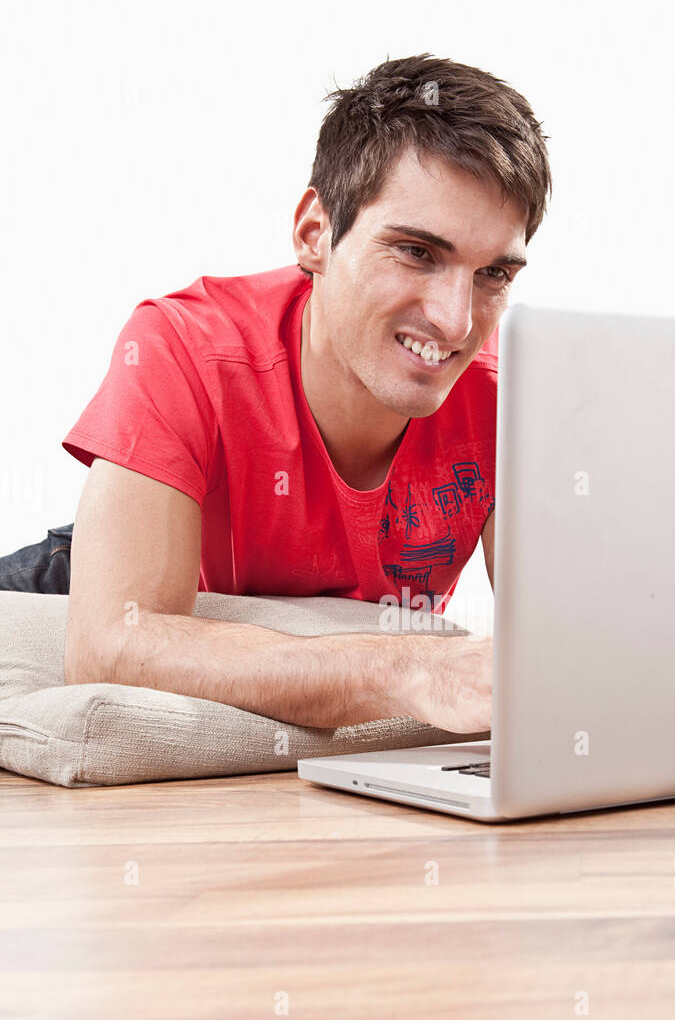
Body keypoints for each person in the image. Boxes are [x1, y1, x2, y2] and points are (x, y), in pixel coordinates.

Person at [1, 53, 552, 734]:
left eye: (494, 273)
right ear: (314, 234)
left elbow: (560, 651)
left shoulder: (514, 395)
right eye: (416, 252)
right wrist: (404, 669)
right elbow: (112, 645)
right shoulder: (183, 345)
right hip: (92, 580)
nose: (455, 320)